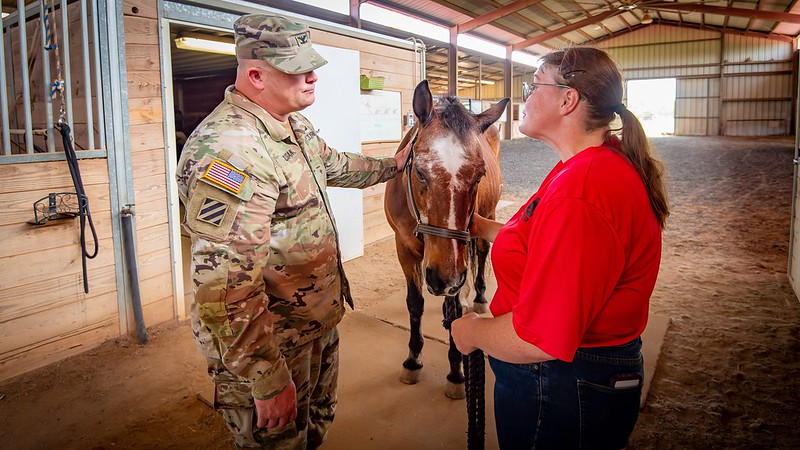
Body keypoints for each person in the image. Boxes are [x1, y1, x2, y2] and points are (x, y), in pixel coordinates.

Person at [176, 14, 409, 449]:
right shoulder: (231, 150)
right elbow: (223, 287)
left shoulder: (290, 125)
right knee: (277, 442)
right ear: (256, 74)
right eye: (297, 67)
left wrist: (395, 165)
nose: (312, 76)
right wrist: (266, 378)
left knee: (313, 428)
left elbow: (337, 164)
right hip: (271, 342)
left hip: (311, 322)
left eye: (311, 64)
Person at [451, 47, 669, 449]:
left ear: (568, 100)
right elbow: (546, 243)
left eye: (534, 86)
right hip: (573, 377)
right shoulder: (587, 165)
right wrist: (482, 228)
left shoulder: (583, 189)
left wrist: (475, 332)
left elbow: (540, 339)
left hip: (561, 383)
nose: (526, 96)